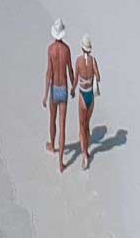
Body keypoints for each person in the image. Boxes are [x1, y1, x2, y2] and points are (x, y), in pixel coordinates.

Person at [43, 19, 74, 171]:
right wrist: (73, 87)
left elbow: (49, 73)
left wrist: (45, 94)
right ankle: (61, 162)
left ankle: (53, 146)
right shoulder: (67, 50)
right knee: (62, 126)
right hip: (64, 89)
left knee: (52, 120)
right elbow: (70, 71)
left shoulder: (50, 50)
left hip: (54, 89)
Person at [73, 36, 103, 169]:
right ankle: (87, 150)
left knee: (81, 125)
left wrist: (72, 90)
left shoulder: (78, 61)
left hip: (82, 95)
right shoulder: (93, 60)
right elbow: (99, 77)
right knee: (87, 125)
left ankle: (84, 154)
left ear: (82, 48)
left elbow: (75, 80)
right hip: (90, 95)